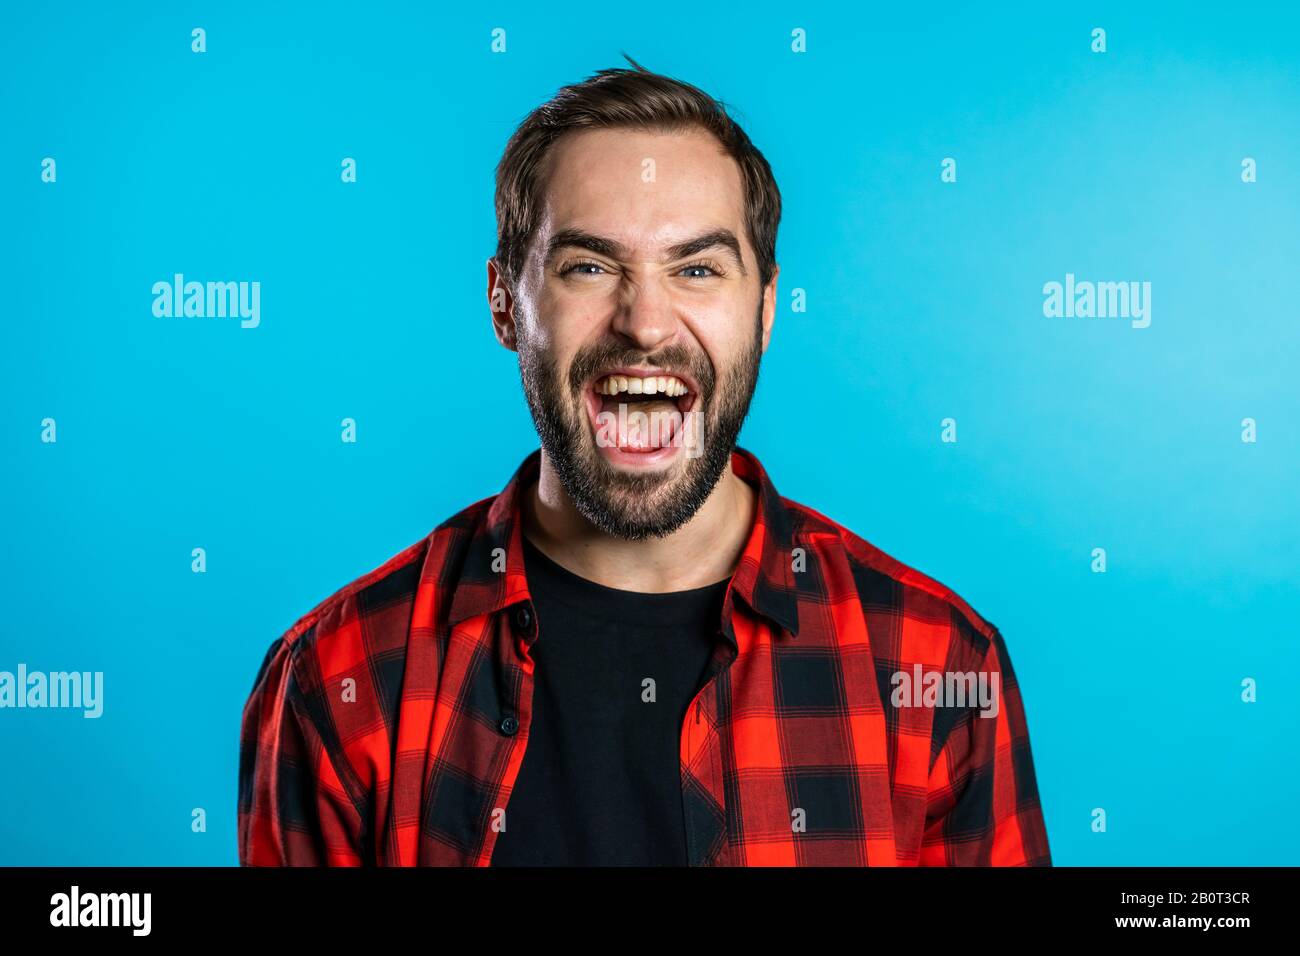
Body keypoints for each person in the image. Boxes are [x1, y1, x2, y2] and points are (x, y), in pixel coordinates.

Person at [238, 58, 1051, 867]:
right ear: (504, 305)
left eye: (696, 269)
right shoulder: (337, 679)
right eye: (589, 267)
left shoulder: (937, 665)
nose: (646, 323)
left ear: (764, 309)